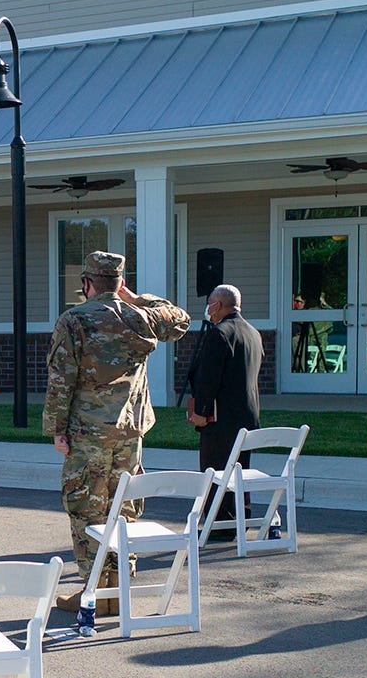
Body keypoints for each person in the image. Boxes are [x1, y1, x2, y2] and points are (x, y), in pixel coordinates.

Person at [43, 251, 190, 615]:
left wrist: (56, 430)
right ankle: (117, 589)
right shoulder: (141, 317)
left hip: (88, 433)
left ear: (87, 284)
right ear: (120, 283)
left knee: (86, 509)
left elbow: (61, 379)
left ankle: (93, 592)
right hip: (130, 432)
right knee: (123, 508)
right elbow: (181, 319)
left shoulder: (74, 319)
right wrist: (134, 298)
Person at [184, 284, 263, 541]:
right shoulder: (253, 333)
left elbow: (209, 378)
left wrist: (201, 412)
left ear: (217, 305)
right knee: (239, 472)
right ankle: (238, 521)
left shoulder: (220, 333)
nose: (208, 309)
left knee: (215, 473)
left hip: (219, 418)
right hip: (246, 418)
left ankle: (219, 526)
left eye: (209, 304)